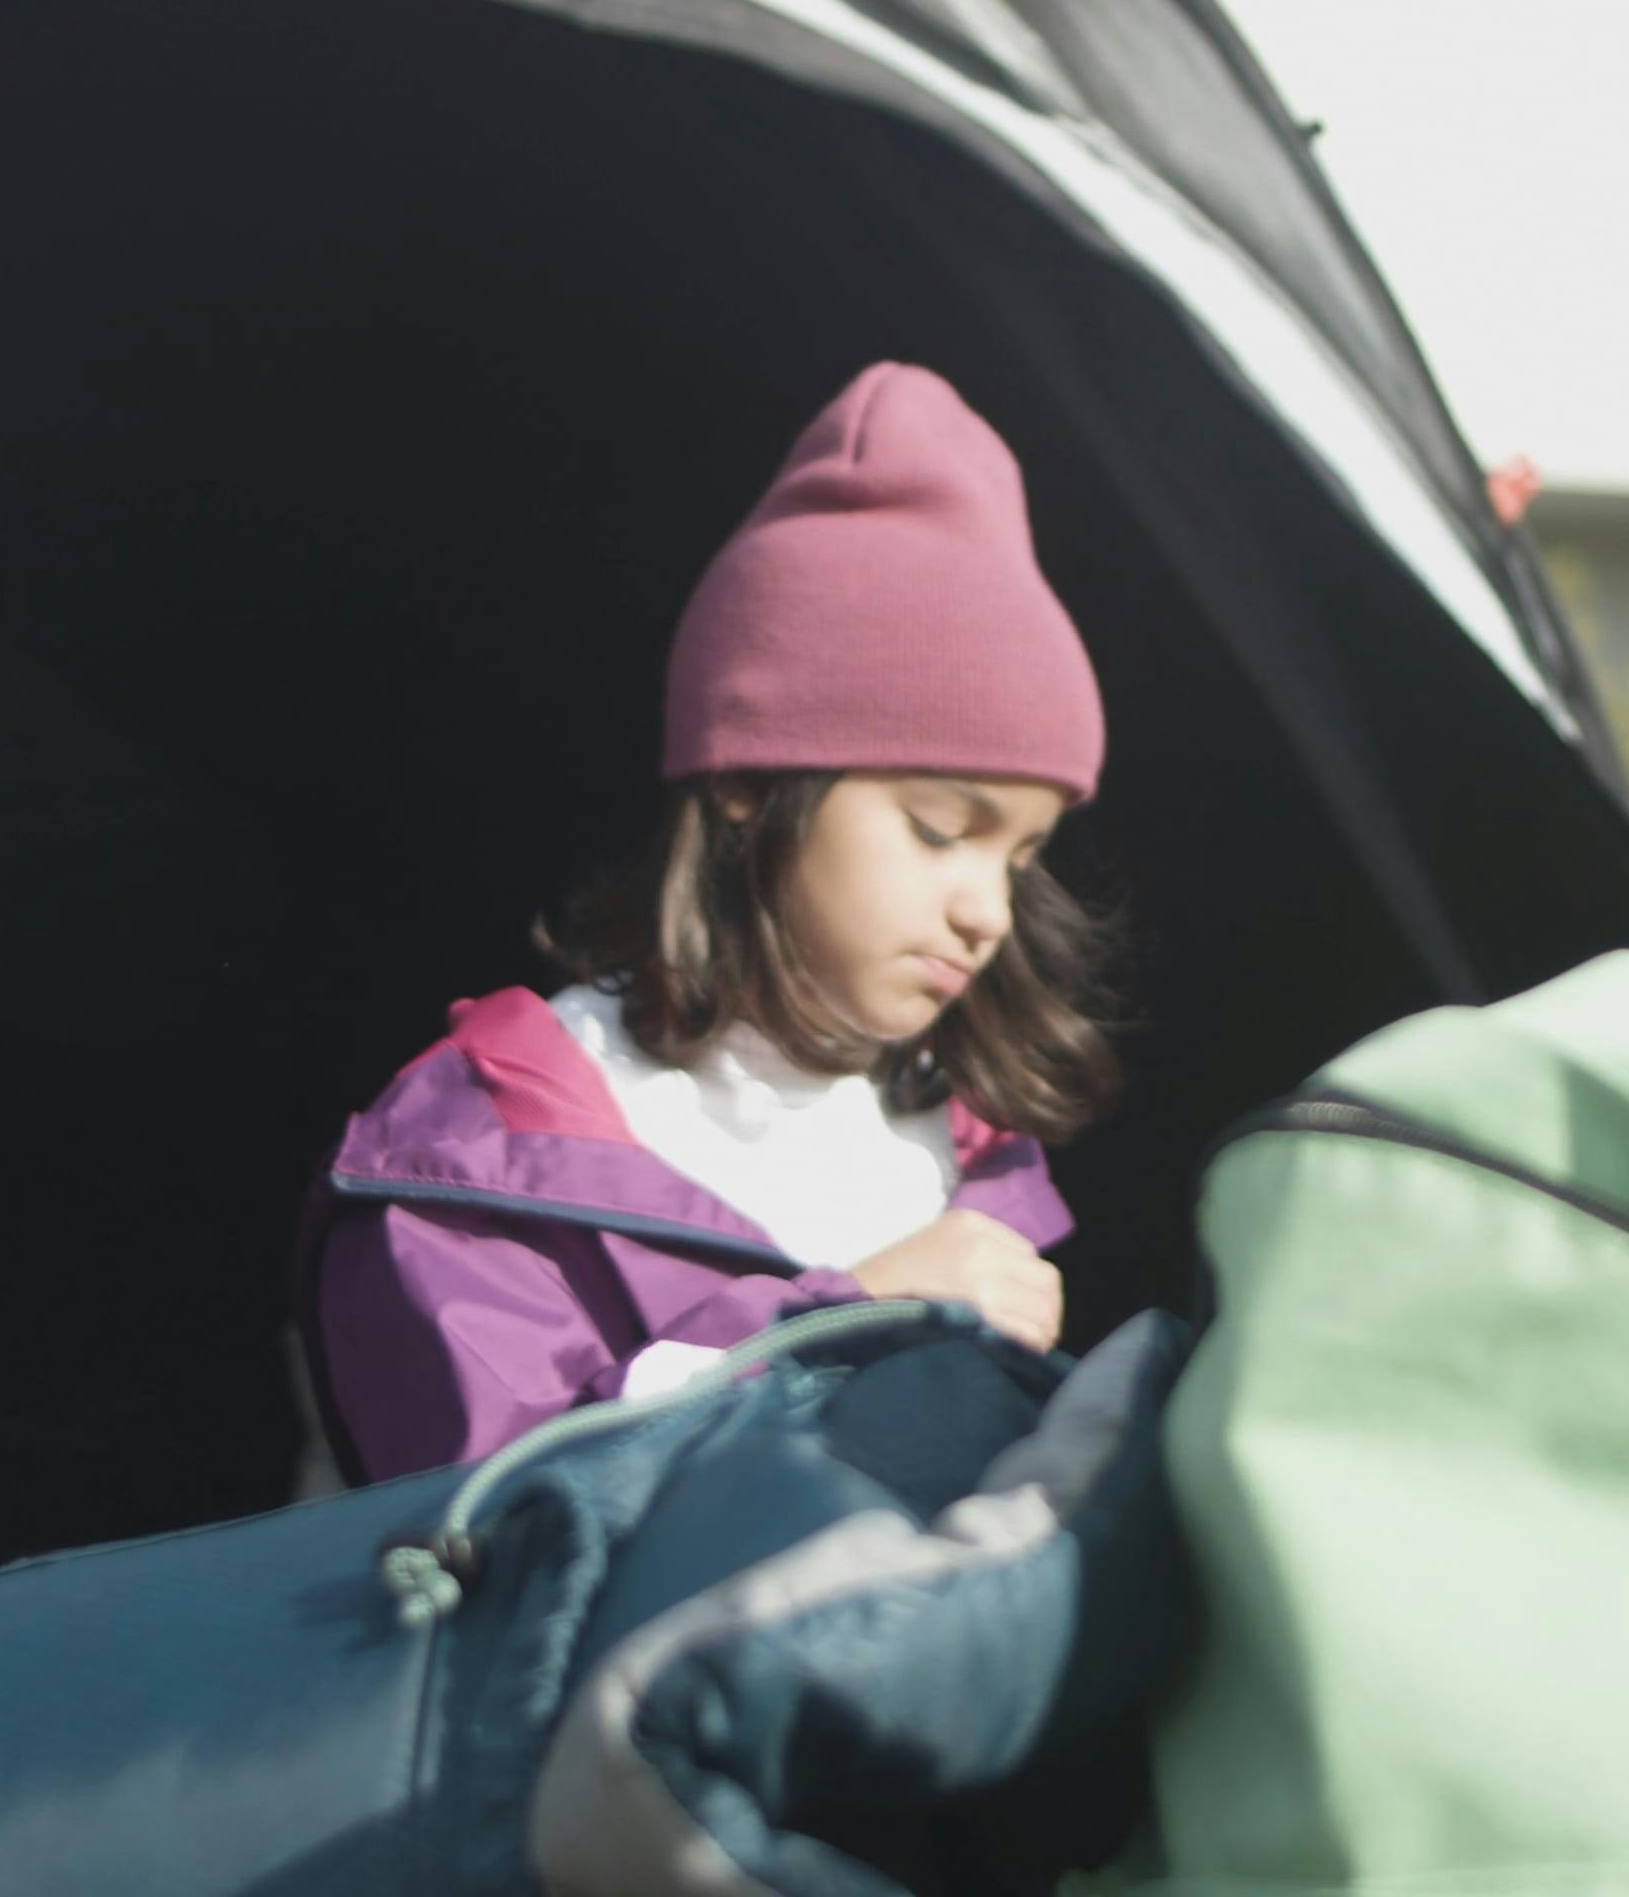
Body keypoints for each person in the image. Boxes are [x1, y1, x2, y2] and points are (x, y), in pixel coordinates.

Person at [300, 362, 1123, 1485]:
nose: (987, 912)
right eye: (939, 829)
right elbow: (484, 1522)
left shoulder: (972, 1162)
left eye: (1021, 859)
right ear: (746, 782)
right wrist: (840, 1317)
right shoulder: (477, 1156)